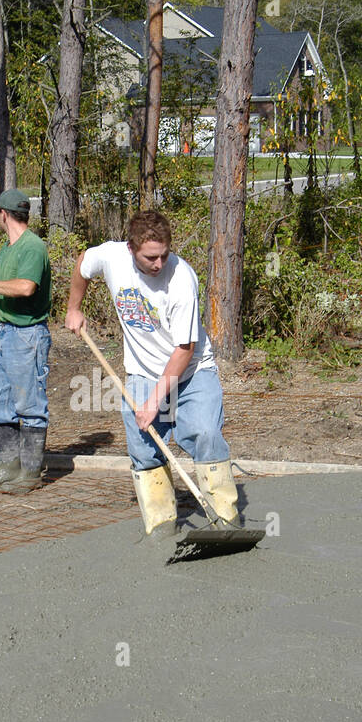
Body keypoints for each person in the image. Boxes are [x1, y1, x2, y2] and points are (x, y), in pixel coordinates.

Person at [65, 210, 240, 537]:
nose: (158, 264)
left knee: (205, 433)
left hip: (191, 373)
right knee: (144, 448)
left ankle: (226, 518)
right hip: (143, 372)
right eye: (150, 258)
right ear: (131, 249)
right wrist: (74, 307)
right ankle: (161, 524)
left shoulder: (181, 280)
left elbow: (184, 350)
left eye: (163, 255)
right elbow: (83, 263)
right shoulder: (112, 257)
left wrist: (154, 402)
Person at [0, 189, 53, 494]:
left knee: (29, 404)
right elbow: (3, 290)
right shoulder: (8, 248)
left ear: (2, 214)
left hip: (27, 336)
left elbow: (26, 287)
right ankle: (7, 467)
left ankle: (30, 473)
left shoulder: (32, 247)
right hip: (3, 334)